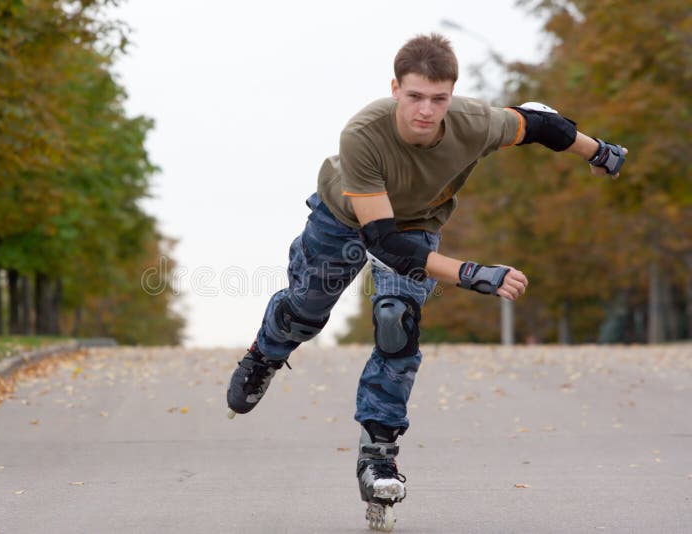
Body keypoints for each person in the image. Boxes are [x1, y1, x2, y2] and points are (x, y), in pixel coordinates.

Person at [226, 33, 627, 531]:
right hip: (344, 217)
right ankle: (266, 352)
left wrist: (599, 152)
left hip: (417, 224)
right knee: (306, 312)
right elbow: (384, 242)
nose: (425, 111)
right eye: (414, 96)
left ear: (451, 95)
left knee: (398, 322)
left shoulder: (474, 122)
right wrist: (471, 274)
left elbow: (543, 124)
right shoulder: (363, 135)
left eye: (439, 99)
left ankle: (379, 455)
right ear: (396, 88)